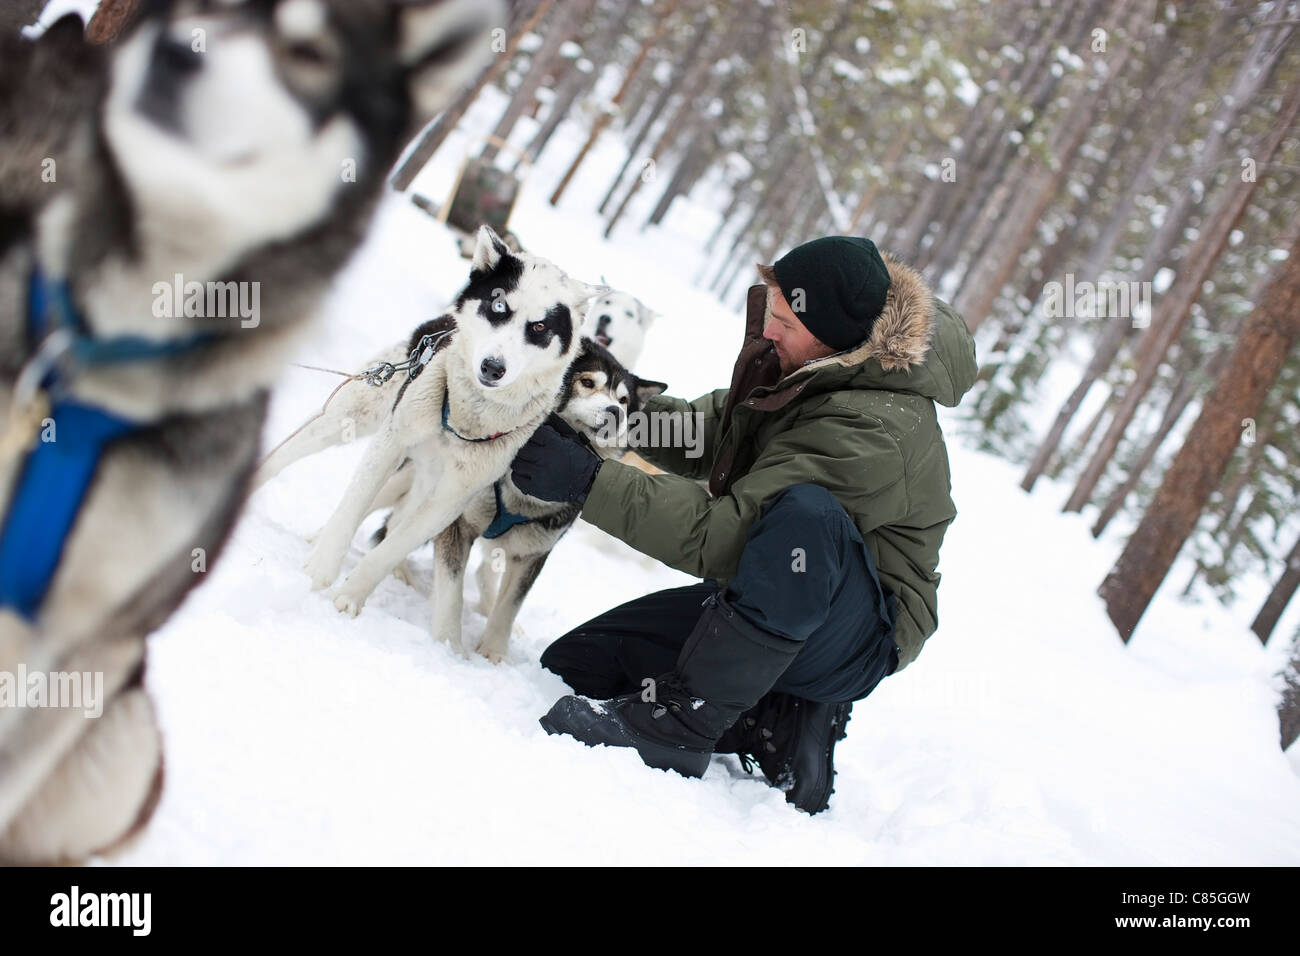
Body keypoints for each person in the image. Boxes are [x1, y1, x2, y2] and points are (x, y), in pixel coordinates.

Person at [509, 236, 978, 813]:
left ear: (832, 333)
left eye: (784, 320)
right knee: (581, 664)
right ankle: (777, 712)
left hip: (853, 634)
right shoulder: (814, 368)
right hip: (777, 602)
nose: (770, 331)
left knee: (805, 519)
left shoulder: (876, 430)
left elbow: (724, 536)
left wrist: (586, 482)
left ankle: (683, 723)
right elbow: (705, 433)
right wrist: (597, 409)